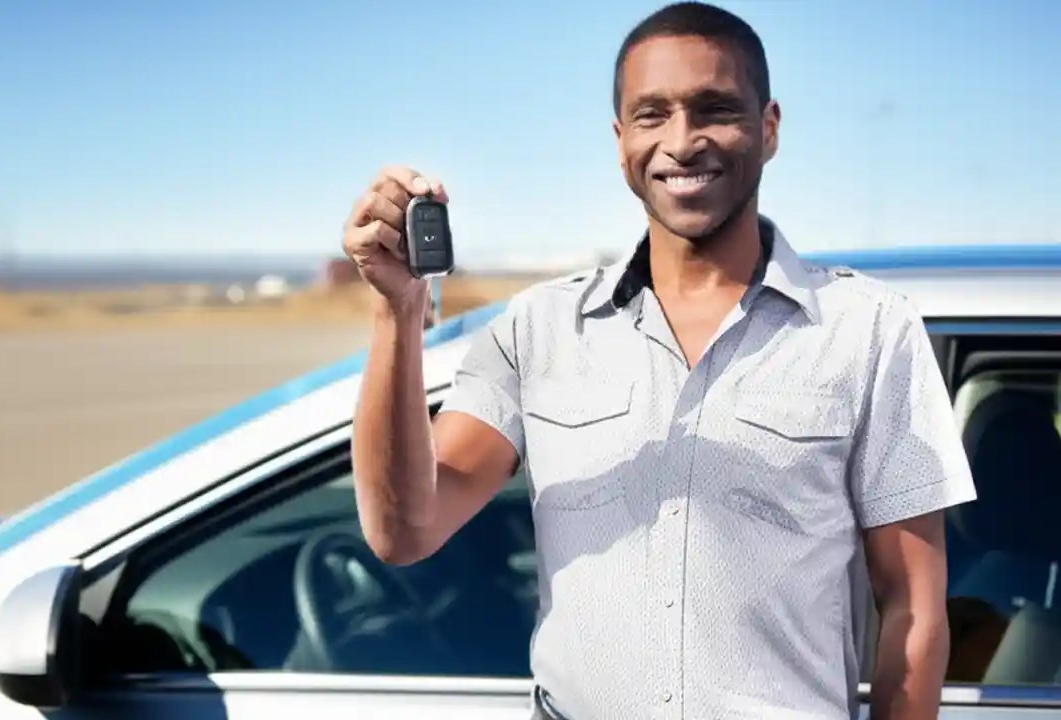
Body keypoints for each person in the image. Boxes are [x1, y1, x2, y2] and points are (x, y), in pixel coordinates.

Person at [339, 2, 977, 718]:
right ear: (620, 142)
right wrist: (396, 310)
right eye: (652, 115)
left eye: (714, 109)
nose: (683, 141)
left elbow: (914, 612)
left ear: (768, 129)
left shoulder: (869, 331)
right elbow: (403, 529)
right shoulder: (538, 331)